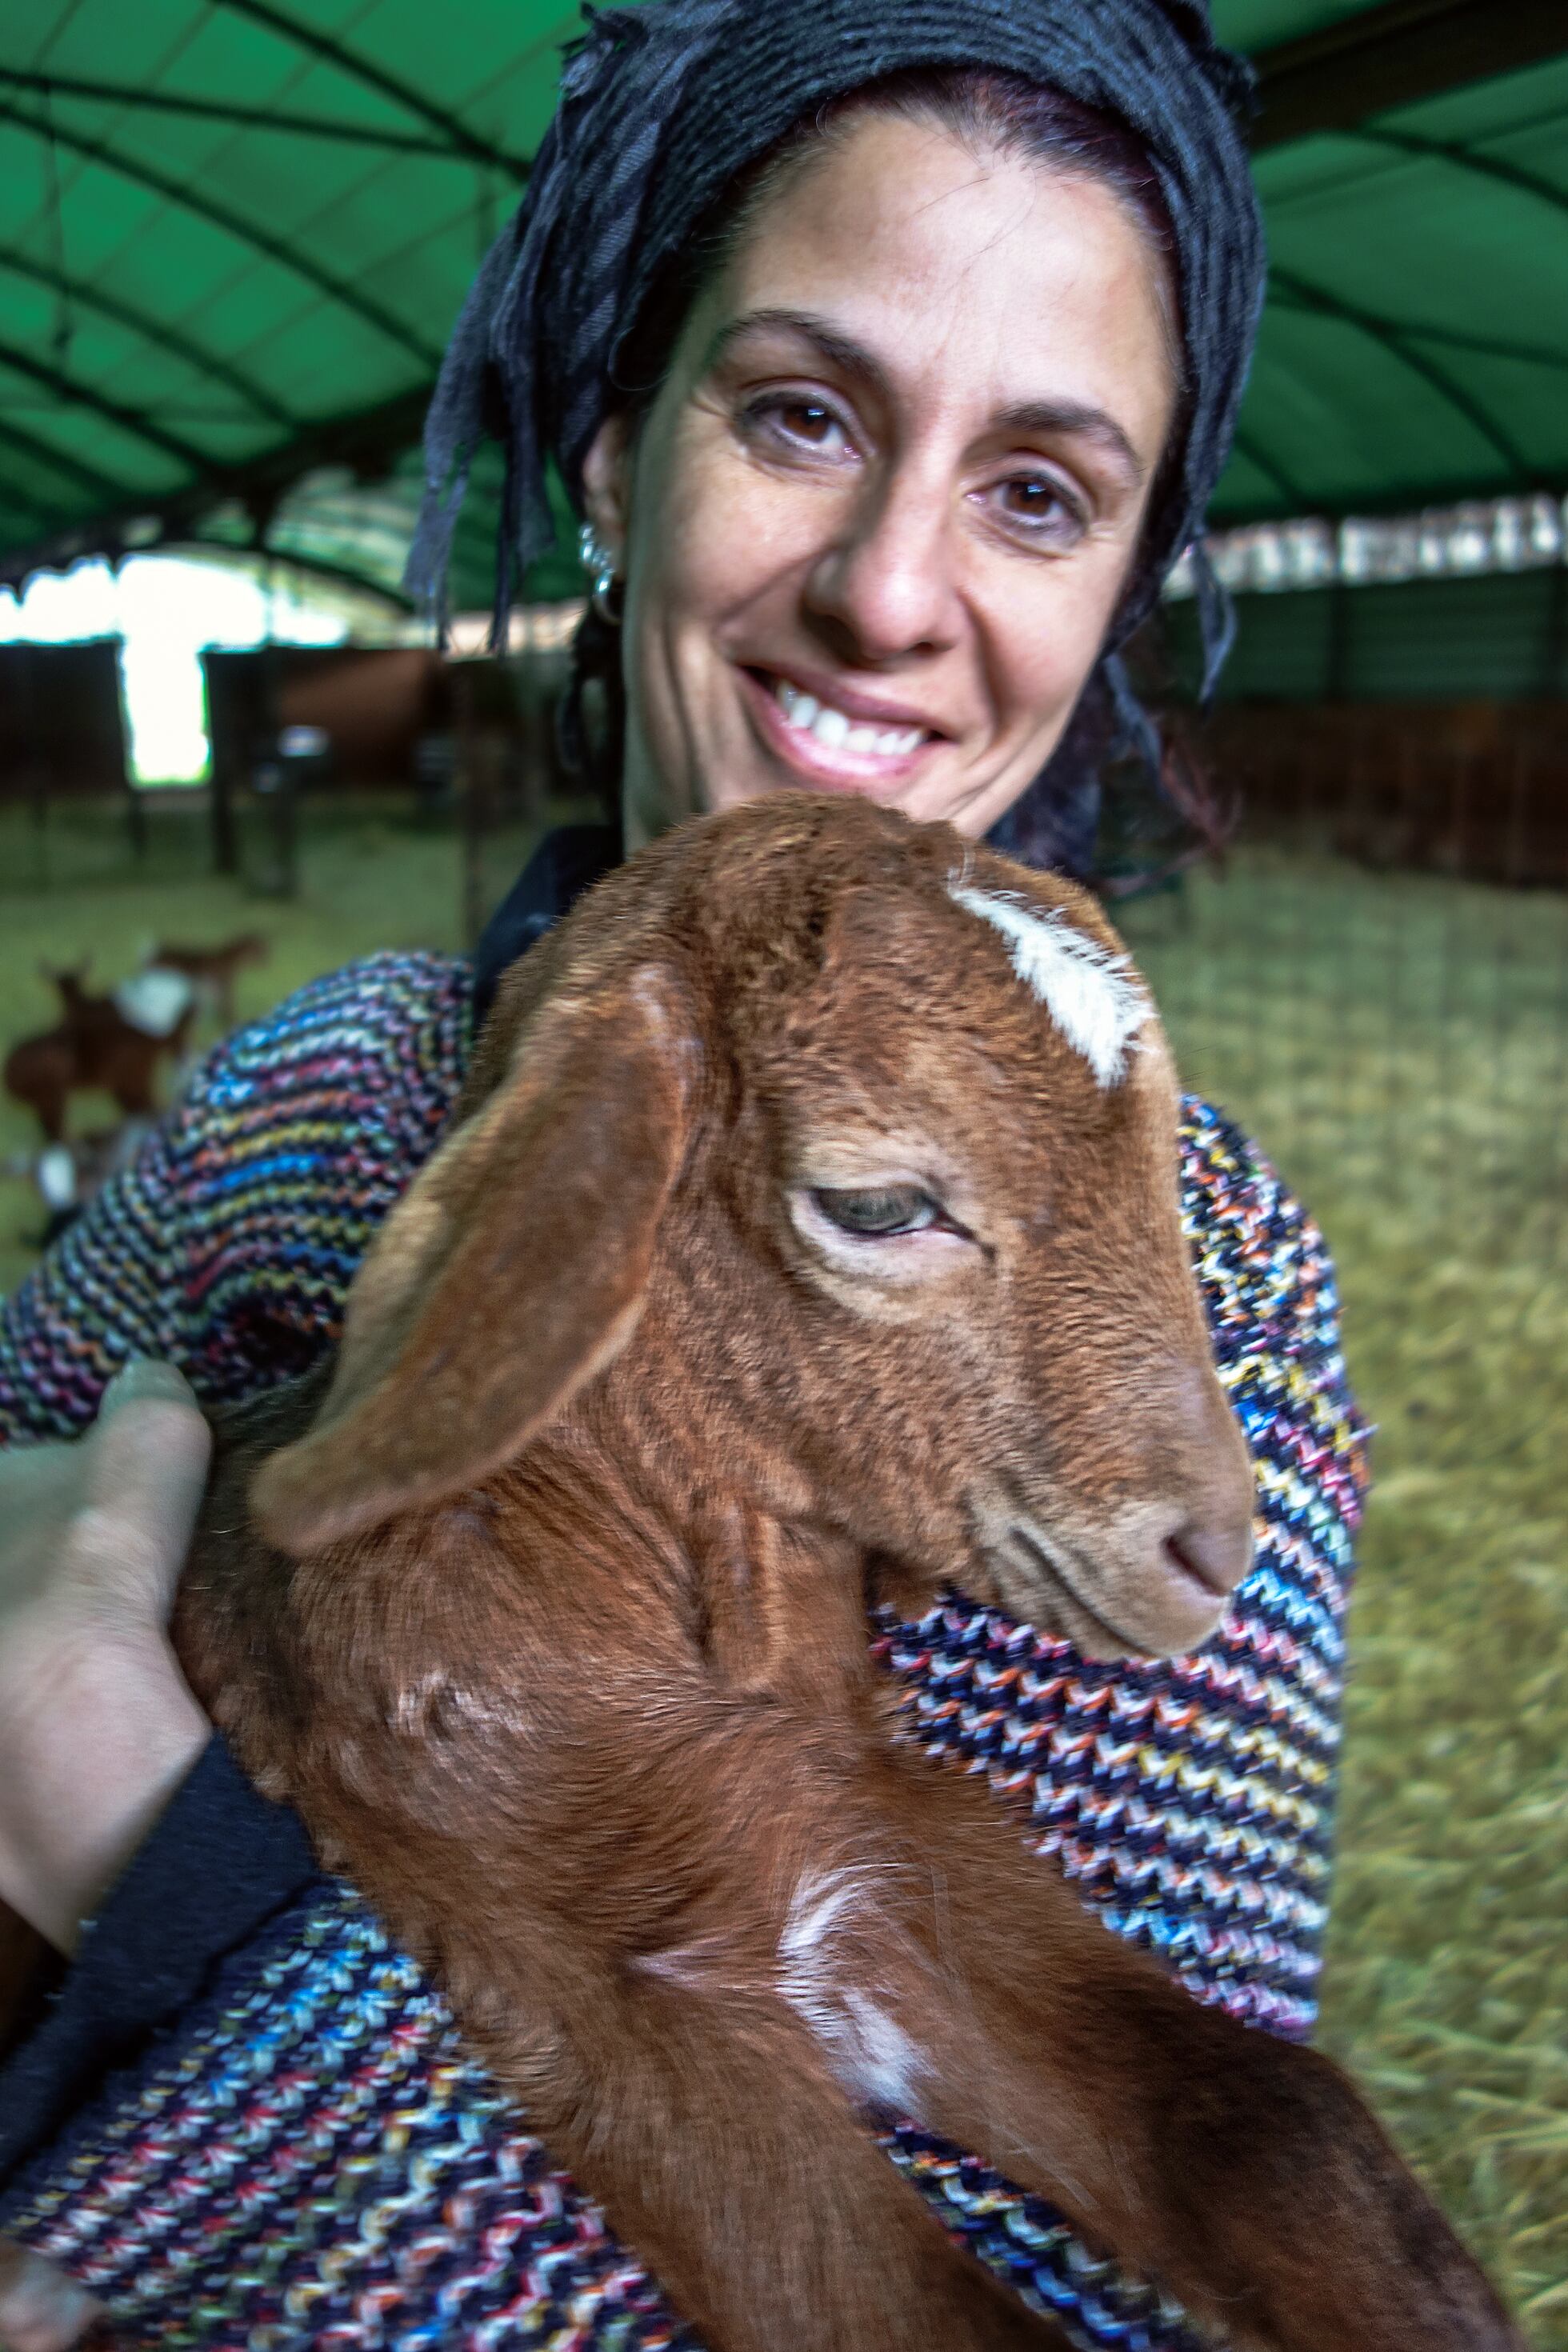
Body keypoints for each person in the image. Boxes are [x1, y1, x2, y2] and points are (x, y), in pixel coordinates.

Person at [0, 3, 1366, 2345]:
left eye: (1040, 492)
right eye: (803, 414)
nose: (890, 591)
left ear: (1122, 585)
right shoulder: (307, 1100)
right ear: (623, 453)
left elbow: (1085, 2286)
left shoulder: (1199, 1310)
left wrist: (168, 1885)